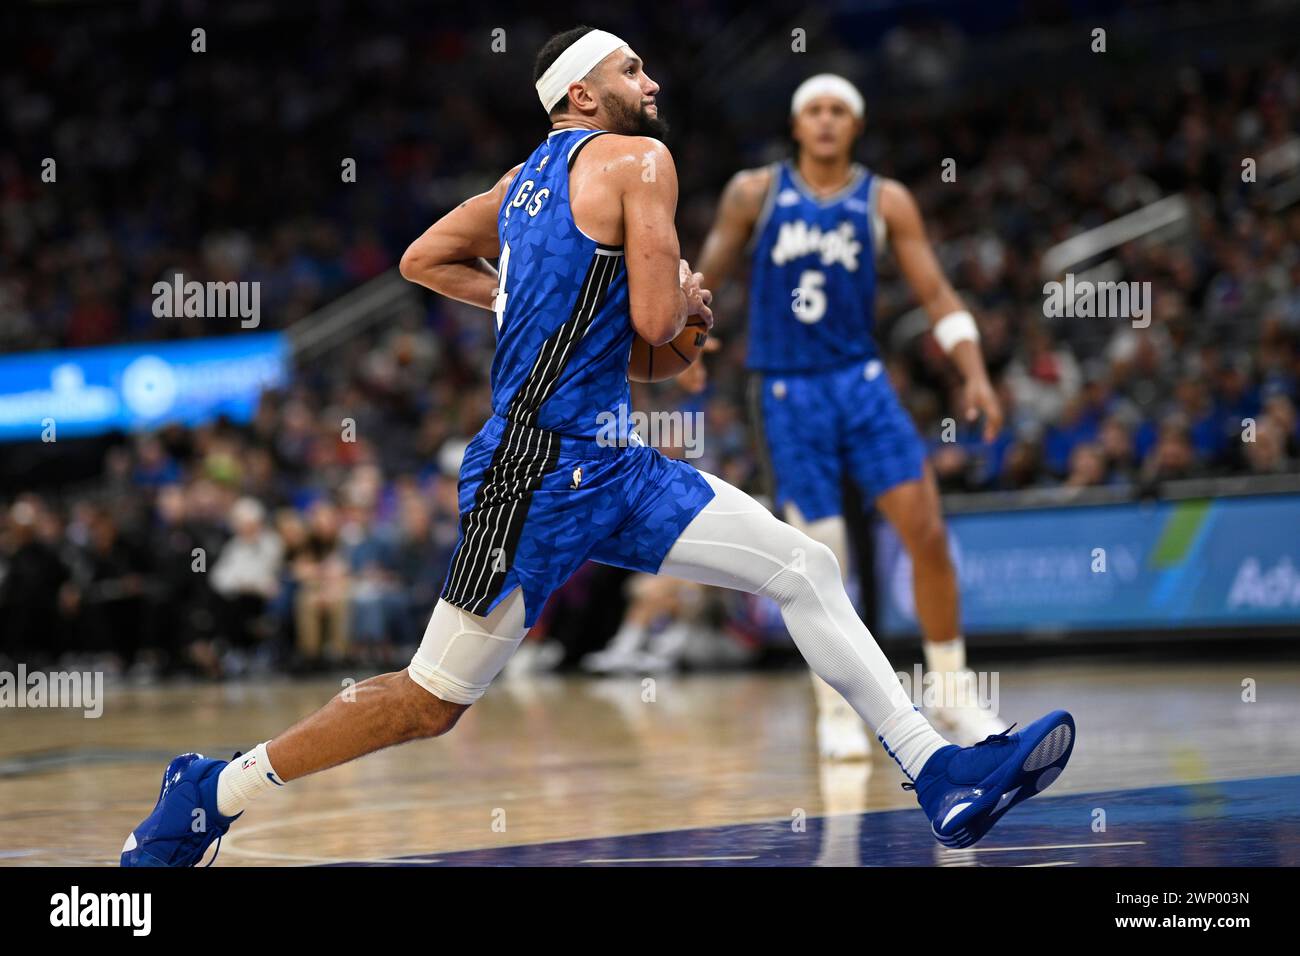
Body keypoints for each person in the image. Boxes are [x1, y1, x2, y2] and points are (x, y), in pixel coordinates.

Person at [121, 26, 1074, 867]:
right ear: (585, 94)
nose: (651, 82)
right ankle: (211, 794)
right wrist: (691, 312)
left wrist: (530, 305)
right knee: (429, 700)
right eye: (633, 67)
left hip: (610, 462)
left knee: (805, 566)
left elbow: (426, 259)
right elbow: (661, 330)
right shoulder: (638, 162)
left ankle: (936, 768)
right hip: (534, 475)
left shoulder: (517, 188)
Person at [695, 73, 1007, 757]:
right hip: (784, 390)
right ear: (797, 123)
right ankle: (837, 710)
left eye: (840, 110)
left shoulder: (885, 200)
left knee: (925, 528)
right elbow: (704, 276)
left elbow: (936, 291)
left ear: (856, 125)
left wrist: (975, 373)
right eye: (815, 110)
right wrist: (689, 341)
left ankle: (952, 698)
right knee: (822, 558)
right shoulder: (756, 192)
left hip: (861, 383)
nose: (828, 120)